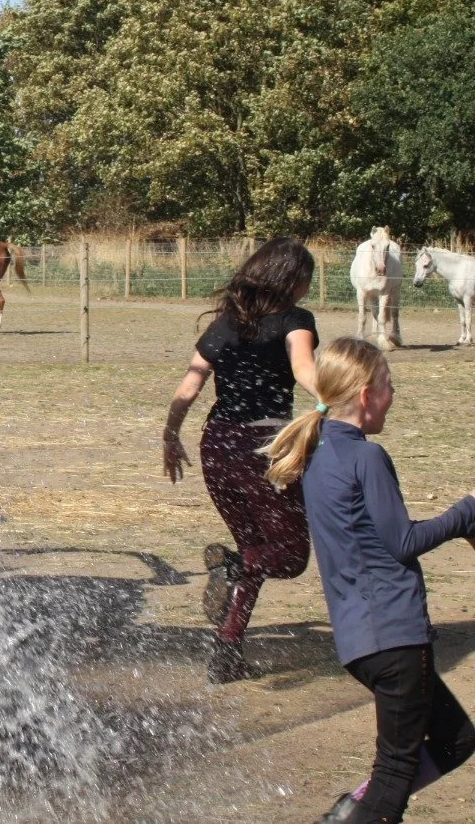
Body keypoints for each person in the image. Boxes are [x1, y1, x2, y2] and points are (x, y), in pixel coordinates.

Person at [264, 337, 475, 824]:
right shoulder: (367, 457)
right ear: (365, 394)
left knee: (456, 736)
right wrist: (465, 512)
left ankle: (348, 811)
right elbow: (402, 542)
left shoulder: (317, 456)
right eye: (389, 385)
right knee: (393, 780)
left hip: (362, 640)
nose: (393, 395)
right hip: (395, 636)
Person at [163, 237, 318, 683]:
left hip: (218, 447)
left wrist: (171, 434)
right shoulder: (295, 319)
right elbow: (305, 368)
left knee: (256, 547)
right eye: (305, 277)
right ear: (292, 279)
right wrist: (334, 400)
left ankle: (228, 649)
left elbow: (190, 386)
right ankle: (232, 568)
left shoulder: (226, 323)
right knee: (288, 557)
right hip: (263, 449)